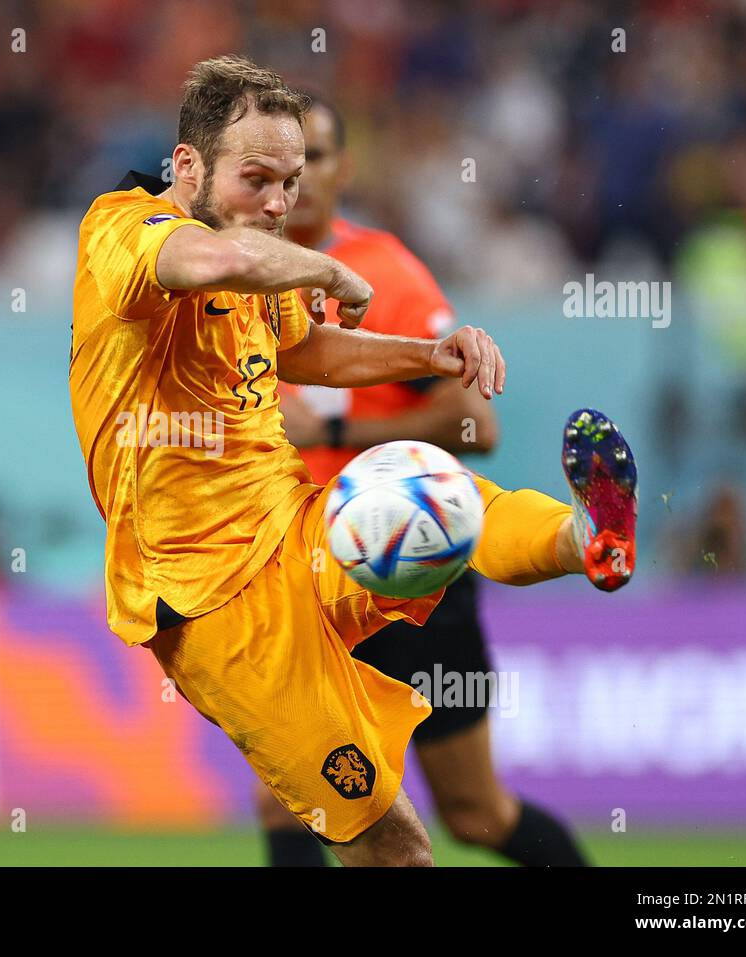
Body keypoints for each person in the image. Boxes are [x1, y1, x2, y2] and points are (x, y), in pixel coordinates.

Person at [68, 55, 636, 866]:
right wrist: (327, 265)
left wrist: (426, 356)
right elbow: (207, 264)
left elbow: (310, 351)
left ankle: (585, 541)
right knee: (398, 849)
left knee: (426, 488)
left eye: (291, 182)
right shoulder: (122, 227)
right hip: (214, 603)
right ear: (187, 165)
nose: (277, 203)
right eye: (256, 178)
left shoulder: (264, 252)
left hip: (294, 522)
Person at [255, 95, 588, 866]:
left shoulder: (386, 272)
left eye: (316, 160)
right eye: (279, 165)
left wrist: (335, 433)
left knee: (475, 812)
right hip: (295, 569)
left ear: (344, 169)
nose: (297, 182)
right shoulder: (228, 274)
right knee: (284, 796)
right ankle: (573, 537)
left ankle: (573, 537)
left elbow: (478, 425)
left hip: (406, 562)